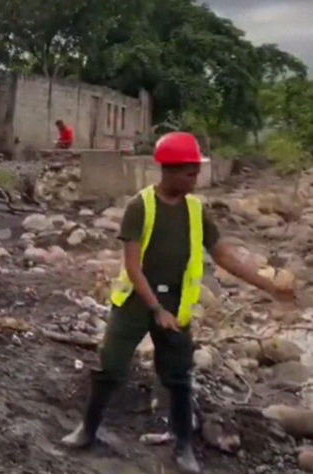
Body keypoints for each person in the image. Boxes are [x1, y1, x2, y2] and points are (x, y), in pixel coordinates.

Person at [60, 132, 296, 473]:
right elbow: (132, 265)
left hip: (175, 301)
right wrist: (156, 309)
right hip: (136, 301)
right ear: (169, 171)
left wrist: (269, 286)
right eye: (189, 172)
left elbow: (224, 256)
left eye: (195, 171)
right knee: (110, 367)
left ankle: (183, 444)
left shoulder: (197, 210)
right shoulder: (140, 206)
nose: (195, 178)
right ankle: (87, 429)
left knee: (179, 376)